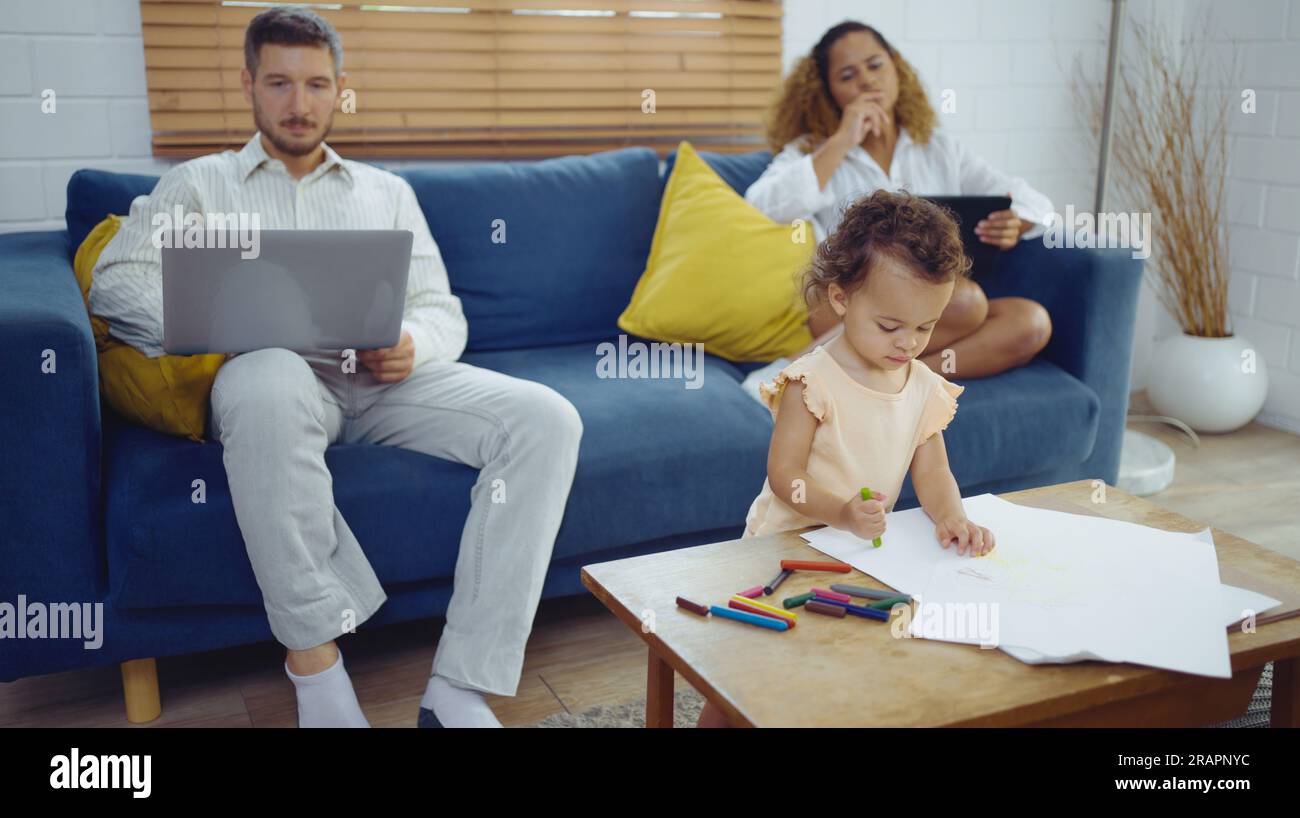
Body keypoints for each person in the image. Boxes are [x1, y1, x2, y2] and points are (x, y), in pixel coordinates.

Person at [89, 6, 583, 728]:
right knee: (266, 379)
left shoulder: (387, 193)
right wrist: (240, 321)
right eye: (280, 83)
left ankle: (459, 688)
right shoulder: (198, 186)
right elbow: (114, 283)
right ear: (249, 85)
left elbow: (443, 311)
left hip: (382, 384)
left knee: (547, 418)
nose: (299, 103)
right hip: (276, 383)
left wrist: (413, 339)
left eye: (317, 84)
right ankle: (317, 674)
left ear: (340, 88)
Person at [698, 191, 996, 728]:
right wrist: (841, 511)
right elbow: (783, 477)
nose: (909, 343)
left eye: (925, 327)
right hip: (784, 548)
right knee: (743, 675)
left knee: (828, 671)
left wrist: (953, 517)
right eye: (890, 326)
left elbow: (933, 471)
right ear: (840, 298)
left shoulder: (922, 385)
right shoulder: (810, 380)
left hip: (855, 552)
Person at [744, 21, 1054, 384]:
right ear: (827, 91)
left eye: (875, 66)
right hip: (846, 301)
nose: (865, 80)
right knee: (966, 301)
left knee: (1029, 322)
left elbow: (1036, 202)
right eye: (847, 76)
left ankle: (891, 382)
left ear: (896, 68)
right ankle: (791, 375)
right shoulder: (814, 151)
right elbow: (761, 206)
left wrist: (1019, 220)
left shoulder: (937, 148)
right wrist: (843, 140)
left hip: (932, 308)